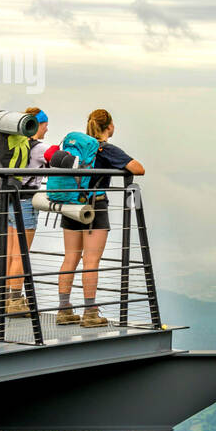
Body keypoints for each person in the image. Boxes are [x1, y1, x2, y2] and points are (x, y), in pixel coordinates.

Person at [55, 109, 144, 327]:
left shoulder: (76, 148)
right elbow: (138, 169)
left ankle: (64, 309)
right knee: (91, 261)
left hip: (70, 203)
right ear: (109, 127)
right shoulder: (106, 149)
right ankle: (90, 312)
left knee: (70, 258)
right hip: (95, 206)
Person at [4, 107, 53, 315]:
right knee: (21, 254)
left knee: (10, 252)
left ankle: (6, 298)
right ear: (38, 124)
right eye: (45, 124)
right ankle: (15, 301)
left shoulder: (15, 142)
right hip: (25, 202)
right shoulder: (40, 148)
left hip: (8, 198)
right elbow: (61, 159)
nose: (47, 129)